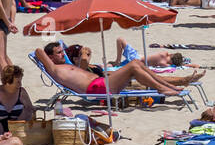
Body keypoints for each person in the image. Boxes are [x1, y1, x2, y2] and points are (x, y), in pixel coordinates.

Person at [35, 43, 184, 98]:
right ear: (50, 57)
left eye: (62, 51)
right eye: (59, 53)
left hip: (100, 83)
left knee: (136, 63)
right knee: (133, 64)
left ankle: (167, 87)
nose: (63, 54)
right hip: (97, 88)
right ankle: (161, 88)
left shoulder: (64, 65)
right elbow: (38, 51)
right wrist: (48, 57)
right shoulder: (54, 68)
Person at [0, 64, 36, 133]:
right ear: (8, 82)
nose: (20, 84)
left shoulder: (21, 92)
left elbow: (30, 110)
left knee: (26, 111)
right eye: (17, 82)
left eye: (21, 81)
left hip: (18, 131)